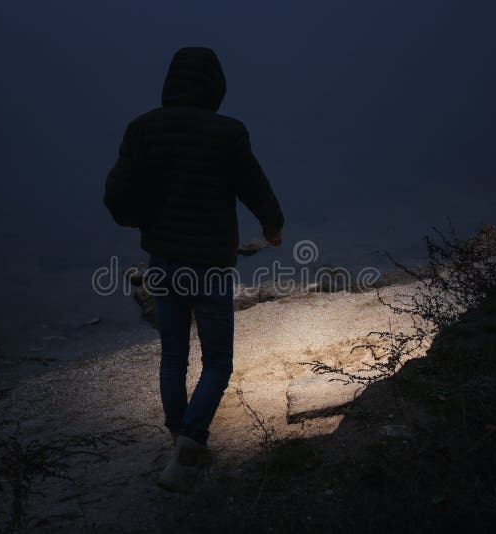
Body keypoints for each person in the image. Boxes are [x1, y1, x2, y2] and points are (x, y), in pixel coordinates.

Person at [103, 46, 284, 492]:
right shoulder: (228, 133)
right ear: (216, 87)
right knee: (218, 360)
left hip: (163, 262)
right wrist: (273, 226)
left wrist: (139, 221)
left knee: (173, 355)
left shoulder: (142, 129)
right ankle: (189, 444)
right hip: (209, 265)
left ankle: (178, 436)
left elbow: (116, 195)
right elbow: (254, 187)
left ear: (171, 82)